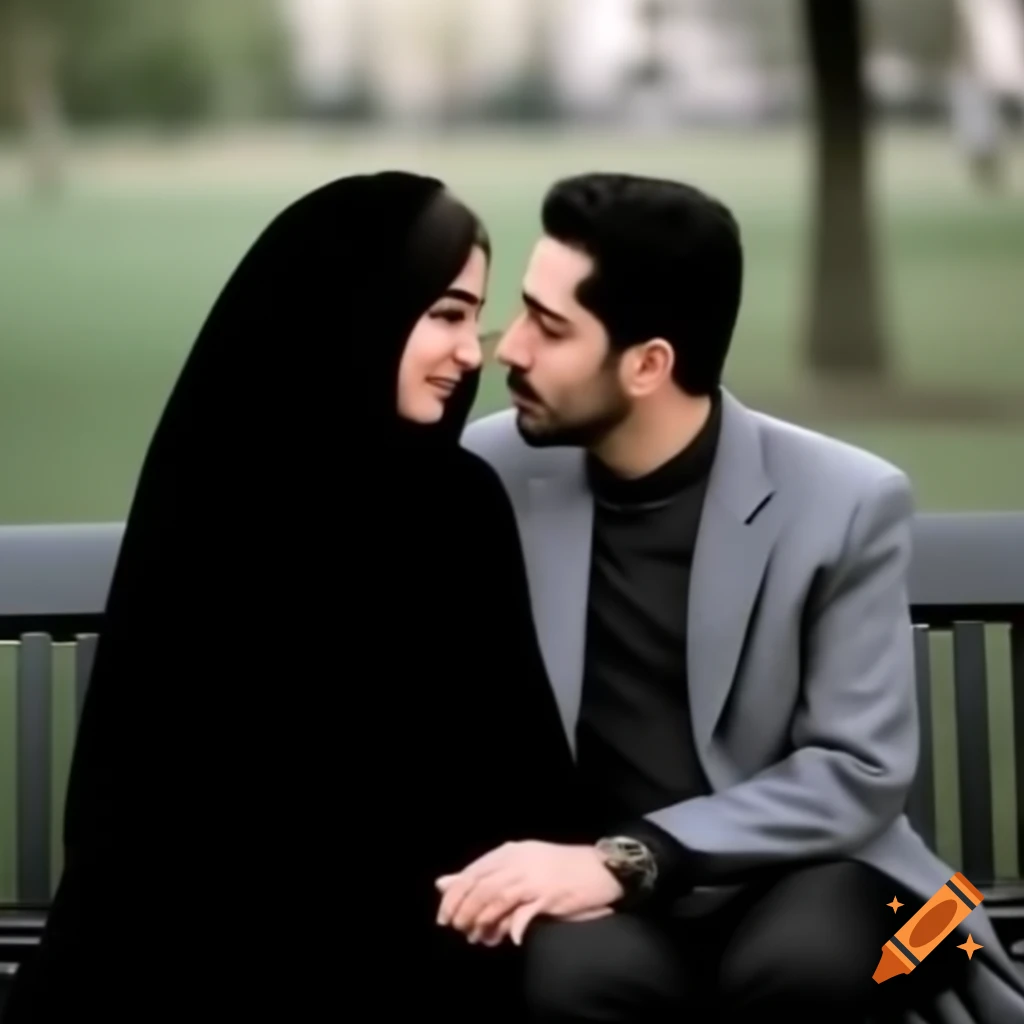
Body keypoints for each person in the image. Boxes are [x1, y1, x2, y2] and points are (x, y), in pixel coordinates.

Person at [3, 171, 577, 1022]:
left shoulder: (459, 505)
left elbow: (517, 768)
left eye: (475, 322)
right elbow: (155, 799)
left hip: (431, 925)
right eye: (446, 315)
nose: (473, 353)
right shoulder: (220, 498)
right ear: (360, 306)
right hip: (211, 925)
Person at [456, 172, 1024, 1022]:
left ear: (649, 364)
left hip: (846, 880)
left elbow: (856, 773)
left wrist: (631, 857)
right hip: (605, 894)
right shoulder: (494, 472)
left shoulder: (845, 500)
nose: (511, 350)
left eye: (550, 326)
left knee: (800, 971)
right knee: (572, 981)